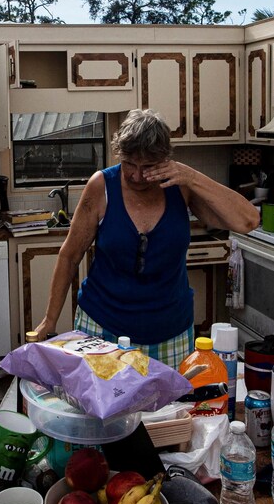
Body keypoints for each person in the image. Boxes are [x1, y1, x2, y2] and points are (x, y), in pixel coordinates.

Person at [33, 109, 260, 369]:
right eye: (130, 164)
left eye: (148, 167)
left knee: (167, 409)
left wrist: (192, 176)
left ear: (165, 159)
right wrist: (49, 320)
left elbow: (248, 220)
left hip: (170, 332)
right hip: (102, 327)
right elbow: (70, 255)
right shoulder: (101, 186)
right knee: (103, 407)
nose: (137, 176)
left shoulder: (181, 186)